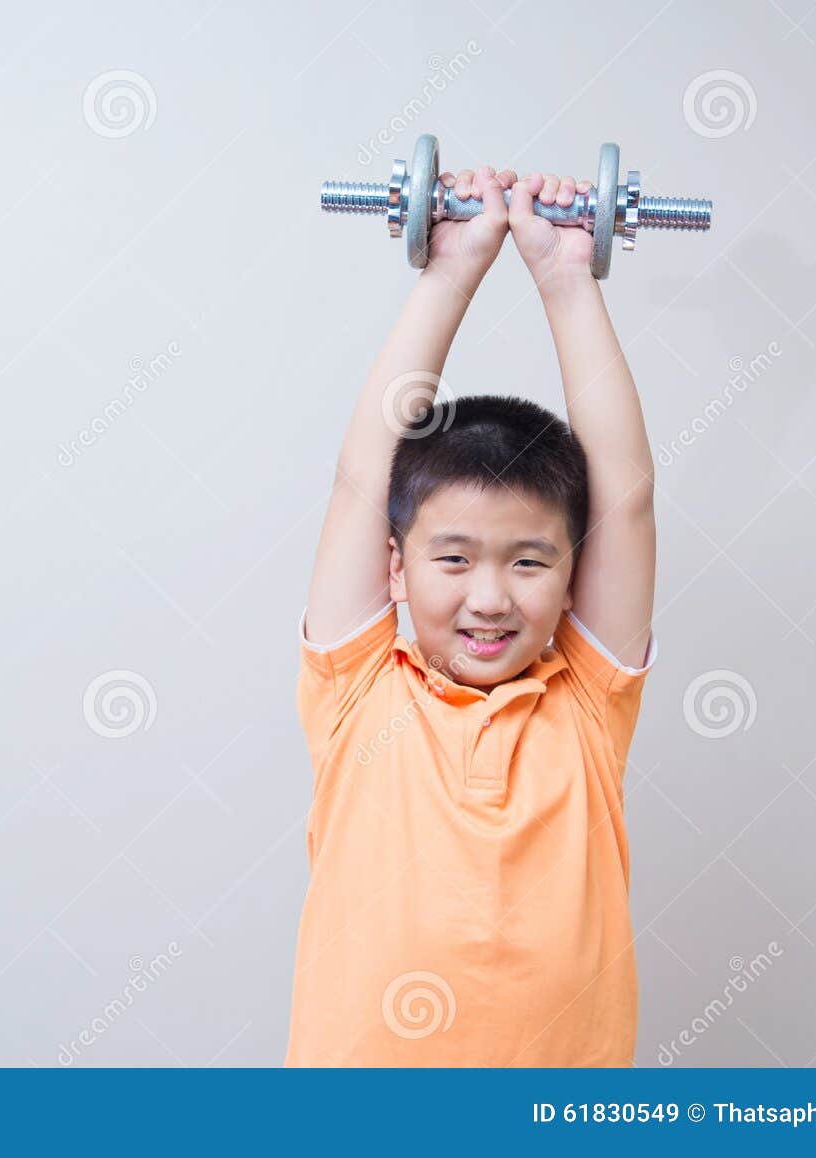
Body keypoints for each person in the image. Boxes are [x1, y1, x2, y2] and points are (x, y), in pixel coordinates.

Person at [287, 164, 658, 1066]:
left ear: (574, 576)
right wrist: (448, 273)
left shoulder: (585, 704)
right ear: (396, 566)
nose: (490, 597)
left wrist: (566, 280)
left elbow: (628, 497)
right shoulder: (358, 694)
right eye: (453, 559)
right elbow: (357, 483)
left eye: (529, 562)